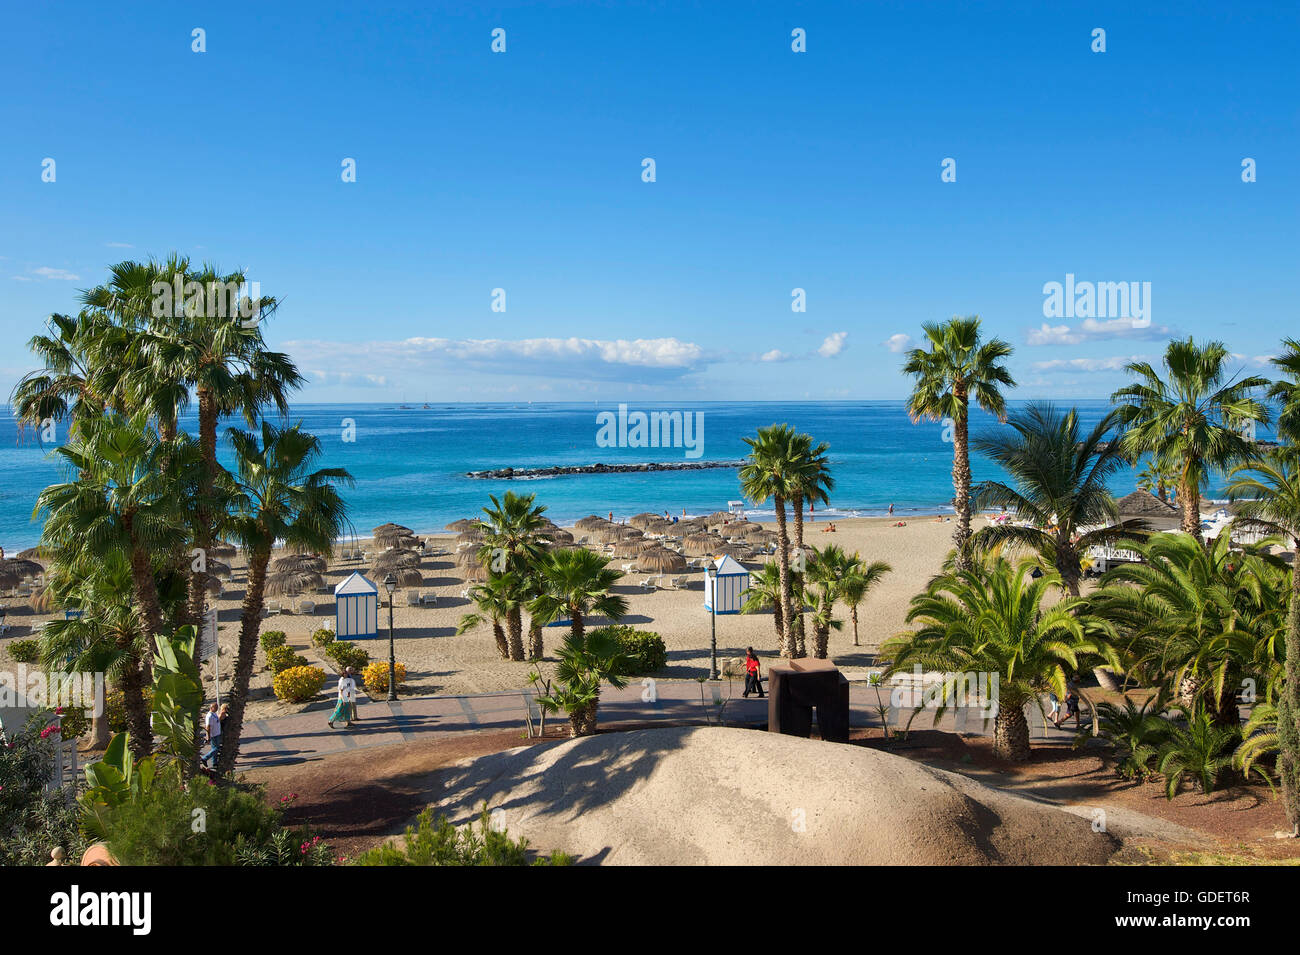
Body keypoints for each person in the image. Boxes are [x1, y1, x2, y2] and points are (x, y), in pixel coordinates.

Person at [201, 703, 221, 768]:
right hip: (213, 735)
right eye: (216, 707)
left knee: (214, 749)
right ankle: (205, 758)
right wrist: (208, 737)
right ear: (211, 707)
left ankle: (214, 762)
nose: (217, 708)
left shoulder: (214, 714)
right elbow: (208, 727)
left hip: (217, 734)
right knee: (216, 748)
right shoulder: (209, 716)